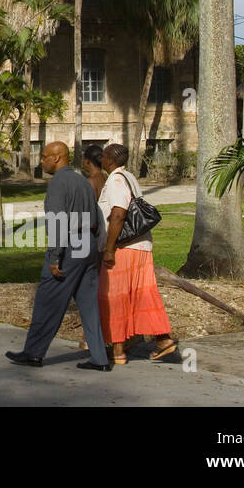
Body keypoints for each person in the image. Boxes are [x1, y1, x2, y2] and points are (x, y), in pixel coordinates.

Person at [6, 141, 112, 371]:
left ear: (57, 158)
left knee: (47, 300)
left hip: (70, 248)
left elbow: (58, 223)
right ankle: (100, 358)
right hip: (89, 245)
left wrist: (55, 258)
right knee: (88, 304)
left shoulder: (58, 183)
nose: (41, 160)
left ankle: (33, 353)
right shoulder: (83, 181)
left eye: (44, 156)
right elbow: (98, 215)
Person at [98, 143, 177, 364]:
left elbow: (118, 214)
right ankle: (159, 339)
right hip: (140, 246)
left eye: (103, 156)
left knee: (113, 295)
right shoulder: (129, 177)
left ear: (110, 160)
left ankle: (118, 350)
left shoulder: (115, 180)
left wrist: (109, 249)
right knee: (140, 293)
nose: (101, 159)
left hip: (124, 247)